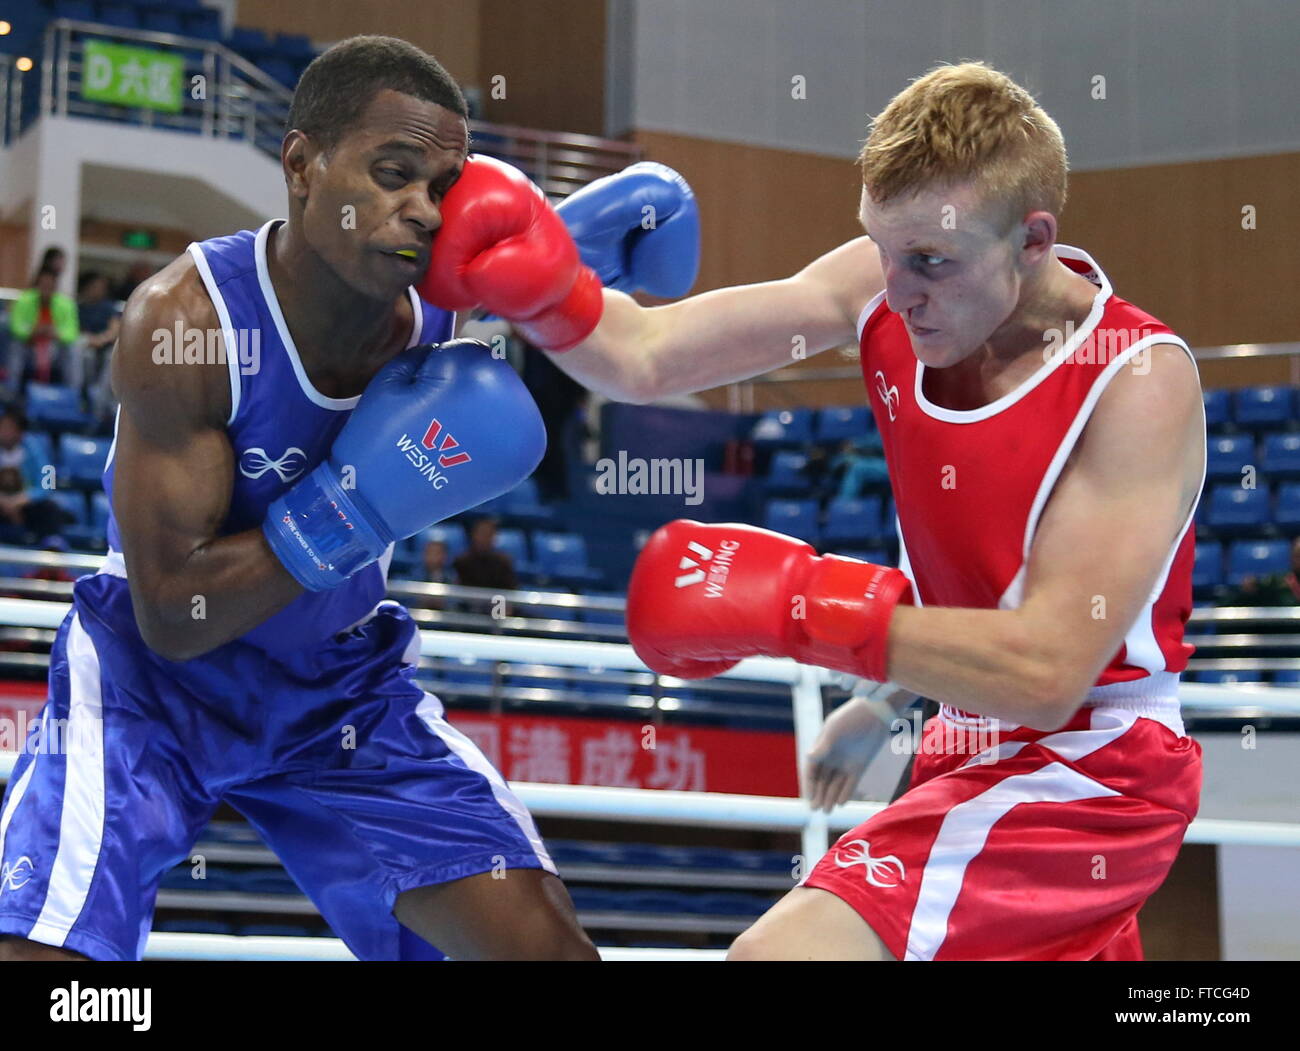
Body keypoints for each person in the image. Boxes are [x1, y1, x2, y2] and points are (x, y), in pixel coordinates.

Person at [426, 61, 1205, 961]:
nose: (900, 289)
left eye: (932, 262)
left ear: (1034, 239)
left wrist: (796, 607)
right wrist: (545, 293)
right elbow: (646, 354)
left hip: (1094, 768)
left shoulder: (1135, 379)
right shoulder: (883, 279)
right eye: (883, 247)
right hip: (961, 740)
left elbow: (1047, 670)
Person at [0, 35, 623, 962]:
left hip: (339, 687)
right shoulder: (186, 324)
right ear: (300, 164)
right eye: (392, 172)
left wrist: (599, 246)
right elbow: (174, 613)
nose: (422, 210)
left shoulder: (444, 300)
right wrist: (354, 504)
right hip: (151, 683)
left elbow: (632, 337)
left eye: (443, 188)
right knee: (47, 963)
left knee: (543, 950)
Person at [6, 267, 80, 393]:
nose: (46, 289)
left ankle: (73, 394)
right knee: (15, 346)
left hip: (54, 350)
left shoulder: (66, 304)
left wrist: (56, 334)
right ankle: (10, 392)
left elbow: (72, 333)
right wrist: (32, 332)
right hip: (29, 347)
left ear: (55, 287)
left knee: (74, 348)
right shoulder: (24, 300)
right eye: (43, 285)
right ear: (37, 285)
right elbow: (16, 327)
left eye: (50, 285)